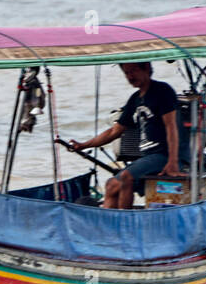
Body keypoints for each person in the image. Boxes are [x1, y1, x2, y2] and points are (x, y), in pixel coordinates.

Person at [67, 61, 180, 209]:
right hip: (148, 157)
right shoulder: (135, 99)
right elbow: (114, 131)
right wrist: (83, 145)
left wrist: (172, 162)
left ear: (146, 68)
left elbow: (171, 127)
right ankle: (109, 225)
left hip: (163, 155)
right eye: (126, 73)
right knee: (111, 185)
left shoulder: (162, 91)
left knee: (125, 177)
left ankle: (125, 222)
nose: (130, 76)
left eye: (133, 71)